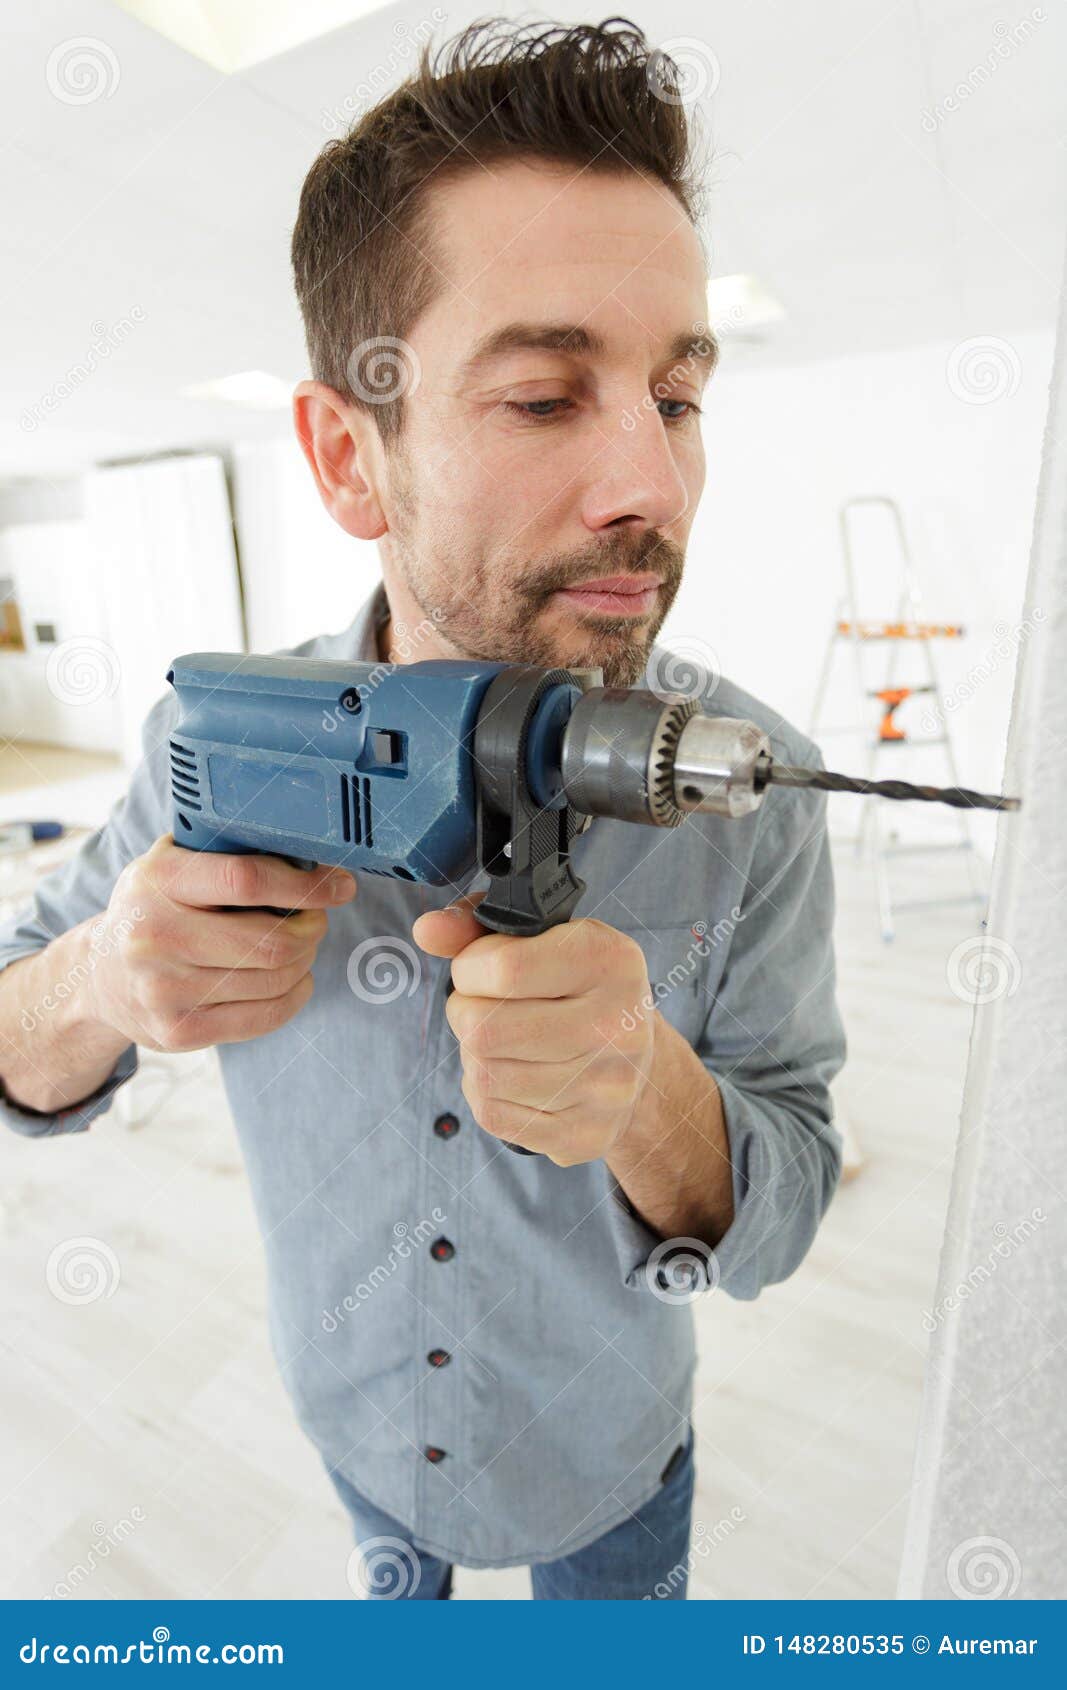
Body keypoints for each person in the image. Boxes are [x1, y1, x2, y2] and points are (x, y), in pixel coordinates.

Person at [0, 17, 845, 1600]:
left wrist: (649, 1089)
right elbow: (10, 1035)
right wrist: (100, 978)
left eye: (676, 396)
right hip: (363, 1437)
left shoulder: (755, 791)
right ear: (347, 455)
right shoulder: (214, 738)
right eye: (542, 397)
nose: (650, 486)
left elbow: (789, 1190)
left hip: (613, 1462)